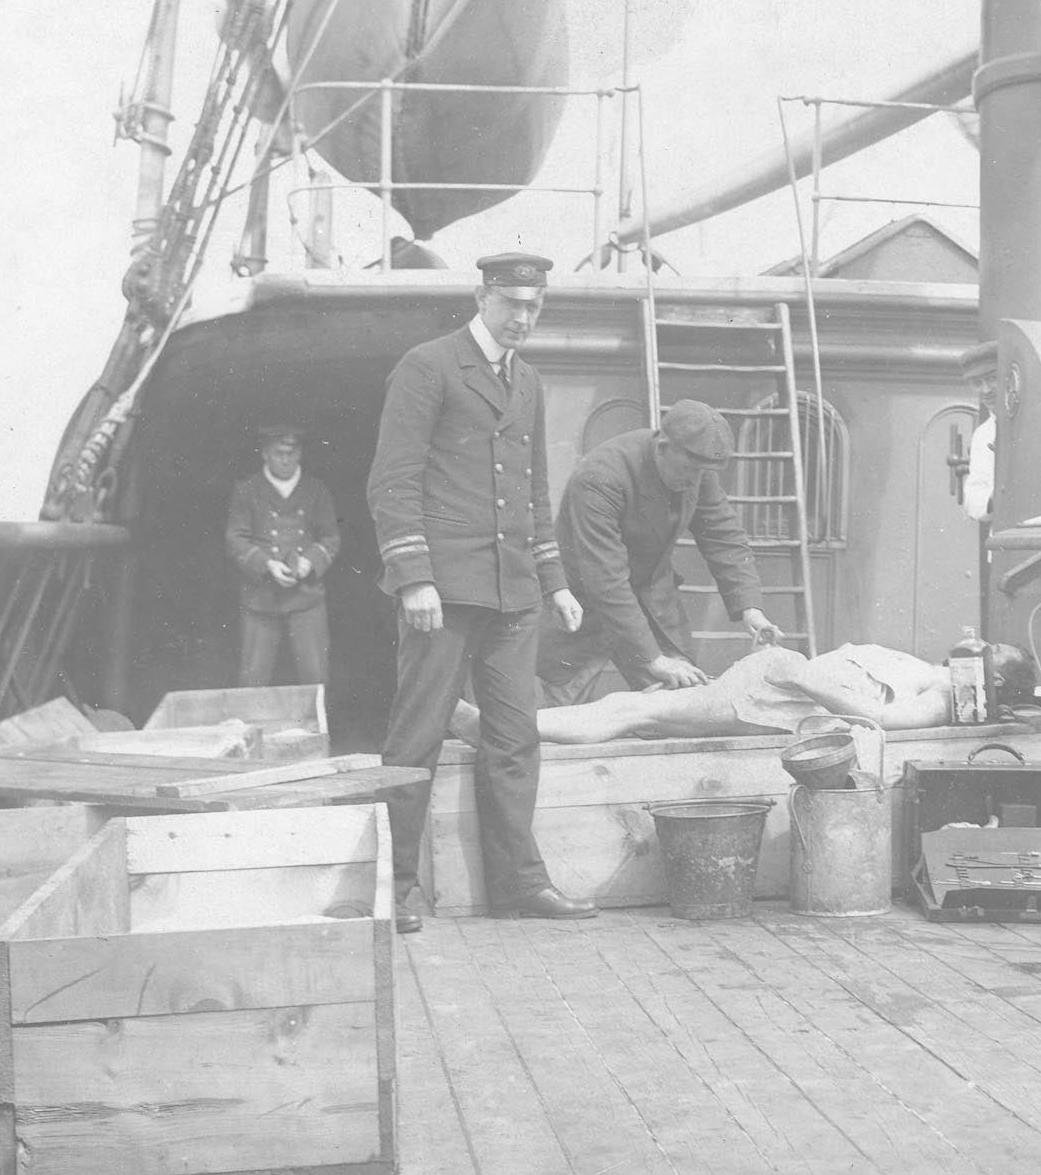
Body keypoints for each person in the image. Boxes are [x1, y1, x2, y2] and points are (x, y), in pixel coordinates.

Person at [366, 250, 595, 933]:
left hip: (513, 594)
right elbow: (393, 480)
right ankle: (398, 886)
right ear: (482, 296)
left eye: (535, 307)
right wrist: (414, 576)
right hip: (444, 591)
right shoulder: (429, 366)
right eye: (512, 305)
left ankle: (519, 884)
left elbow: (532, 491)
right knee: (417, 736)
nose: (523, 318)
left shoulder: (528, 382)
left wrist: (554, 582)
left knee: (515, 738)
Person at [539, 399, 782, 704]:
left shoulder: (695, 467)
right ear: (663, 447)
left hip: (651, 599)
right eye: (690, 470)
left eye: (703, 473)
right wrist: (652, 659)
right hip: (584, 604)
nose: (694, 481)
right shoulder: (600, 478)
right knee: (548, 717)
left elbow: (724, 539)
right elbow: (605, 579)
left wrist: (751, 610)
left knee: (686, 701)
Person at [456, 643, 955, 745]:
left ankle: (494, 728)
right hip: (776, 684)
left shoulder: (941, 695)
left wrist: (804, 679)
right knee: (641, 713)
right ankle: (499, 727)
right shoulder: (925, 666)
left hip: (781, 701)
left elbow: (877, 720)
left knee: (629, 709)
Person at [225, 423, 340, 686]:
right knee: (253, 677)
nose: (286, 460)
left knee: (316, 676)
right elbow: (235, 539)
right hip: (261, 598)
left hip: (306, 597)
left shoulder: (316, 489)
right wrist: (267, 565)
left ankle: (319, 727)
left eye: (292, 452)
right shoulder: (247, 490)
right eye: (279, 453)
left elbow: (331, 537)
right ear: (264, 453)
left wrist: (309, 562)